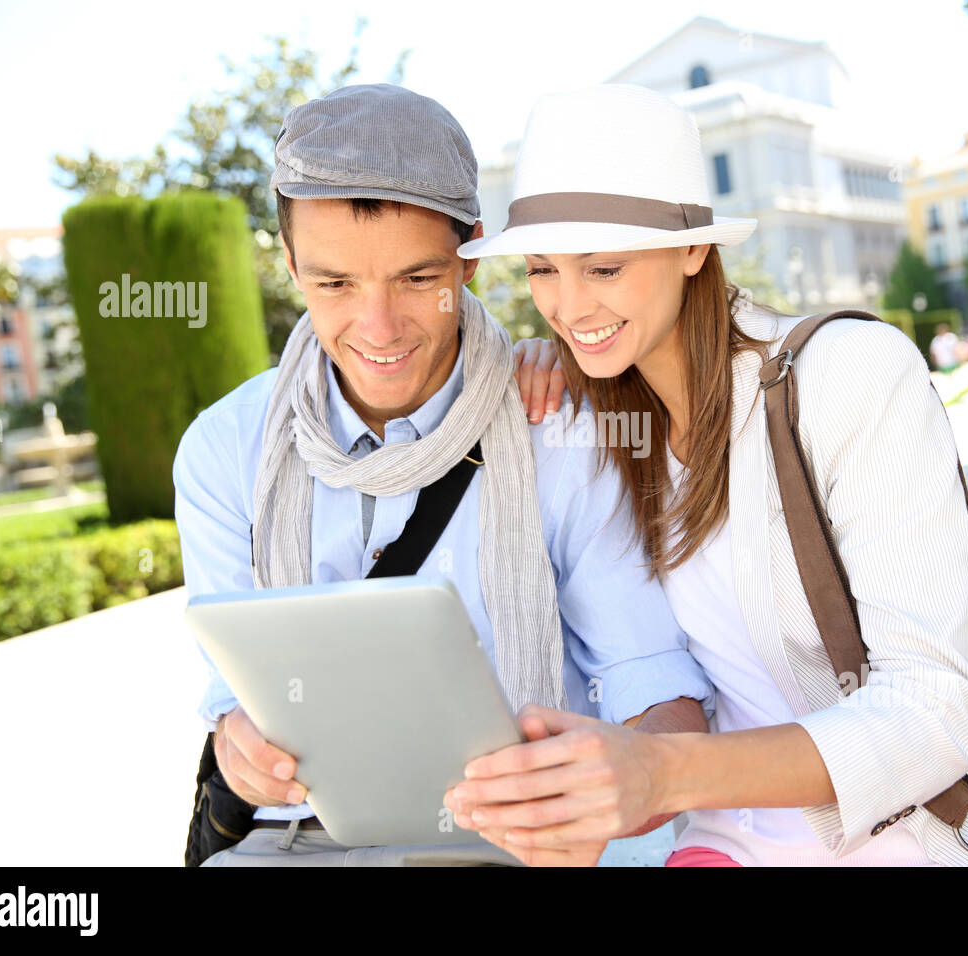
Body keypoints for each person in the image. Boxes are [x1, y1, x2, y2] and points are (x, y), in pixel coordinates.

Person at [442, 84, 968, 867]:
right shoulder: (600, 423)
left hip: (931, 831)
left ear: (695, 250)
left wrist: (661, 774)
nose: (567, 303)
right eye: (543, 270)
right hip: (729, 840)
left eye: (605, 267)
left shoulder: (849, 373)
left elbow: (936, 709)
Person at [173, 84, 715, 866]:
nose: (379, 328)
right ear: (289, 265)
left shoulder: (561, 427)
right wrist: (239, 748)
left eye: (417, 278)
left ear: (471, 257)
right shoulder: (225, 449)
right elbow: (234, 701)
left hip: (523, 848)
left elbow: (650, 683)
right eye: (334, 284)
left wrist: (652, 774)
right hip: (299, 843)